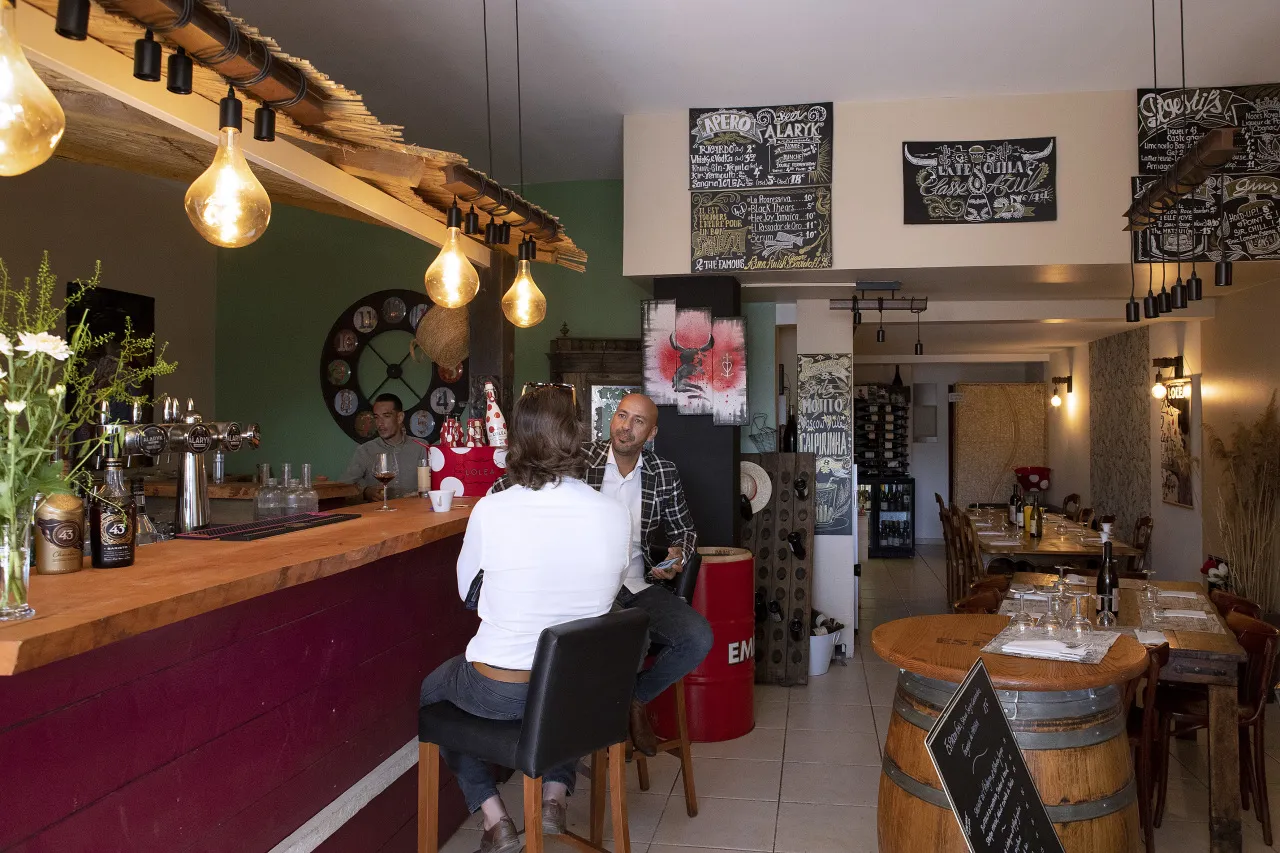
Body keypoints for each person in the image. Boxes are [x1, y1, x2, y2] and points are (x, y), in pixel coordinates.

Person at [419, 387, 631, 853]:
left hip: (503, 690)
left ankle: (496, 821)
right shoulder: (614, 513)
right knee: (564, 680)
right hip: (583, 694)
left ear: (515, 441)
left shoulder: (492, 509)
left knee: (432, 691)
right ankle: (554, 797)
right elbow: (609, 594)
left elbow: (467, 594)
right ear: (576, 437)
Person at [491, 392, 713, 757]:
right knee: (631, 642)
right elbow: (508, 486)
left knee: (699, 638)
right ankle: (607, 722)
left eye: (638, 421)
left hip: (639, 584)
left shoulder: (663, 472)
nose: (625, 427)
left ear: (652, 432)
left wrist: (677, 554)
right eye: (622, 416)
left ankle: (634, 700)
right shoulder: (578, 460)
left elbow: (685, 531)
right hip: (588, 589)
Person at [341, 393, 426, 501]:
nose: (380, 423)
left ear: (399, 417)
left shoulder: (421, 447)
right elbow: (342, 489)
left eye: (386, 416)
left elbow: (436, 487)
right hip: (378, 516)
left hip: (415, 514)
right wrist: (365, 492)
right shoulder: (365, 451)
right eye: (376, 417)